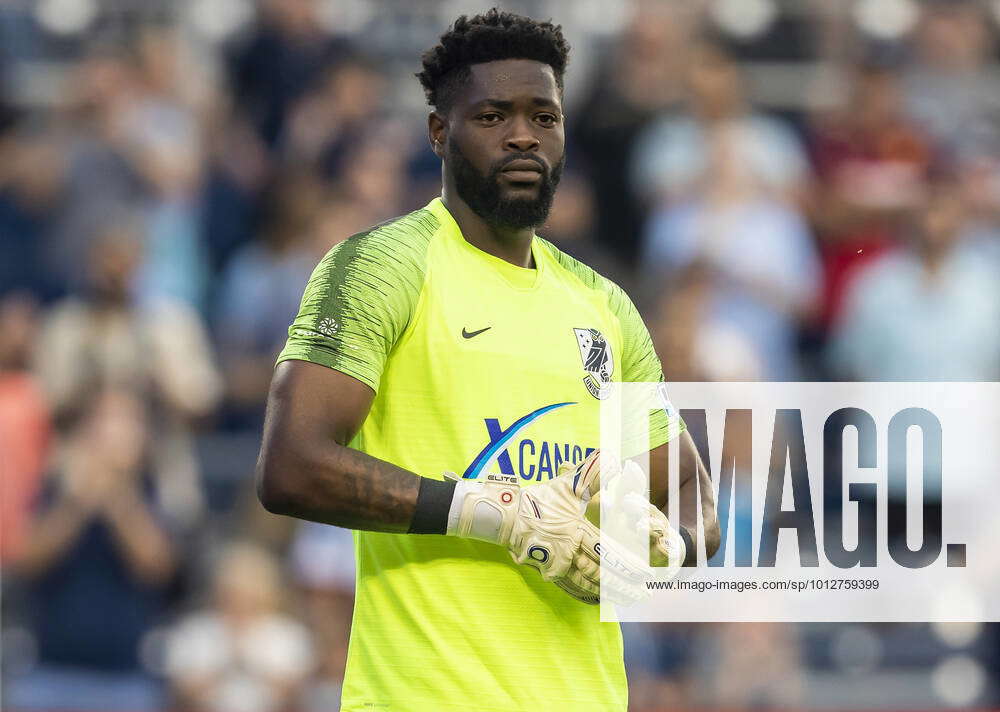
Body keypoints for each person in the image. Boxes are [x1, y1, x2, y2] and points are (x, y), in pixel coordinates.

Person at [255, 9, 719, 711]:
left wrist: (660, 546)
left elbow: (690, 490)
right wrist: (497, 512)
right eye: (493, 117)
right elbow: (290, 466)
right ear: (440, 131)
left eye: (544, 116)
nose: (524, 135)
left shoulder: (604, 304)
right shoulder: (384, 266)